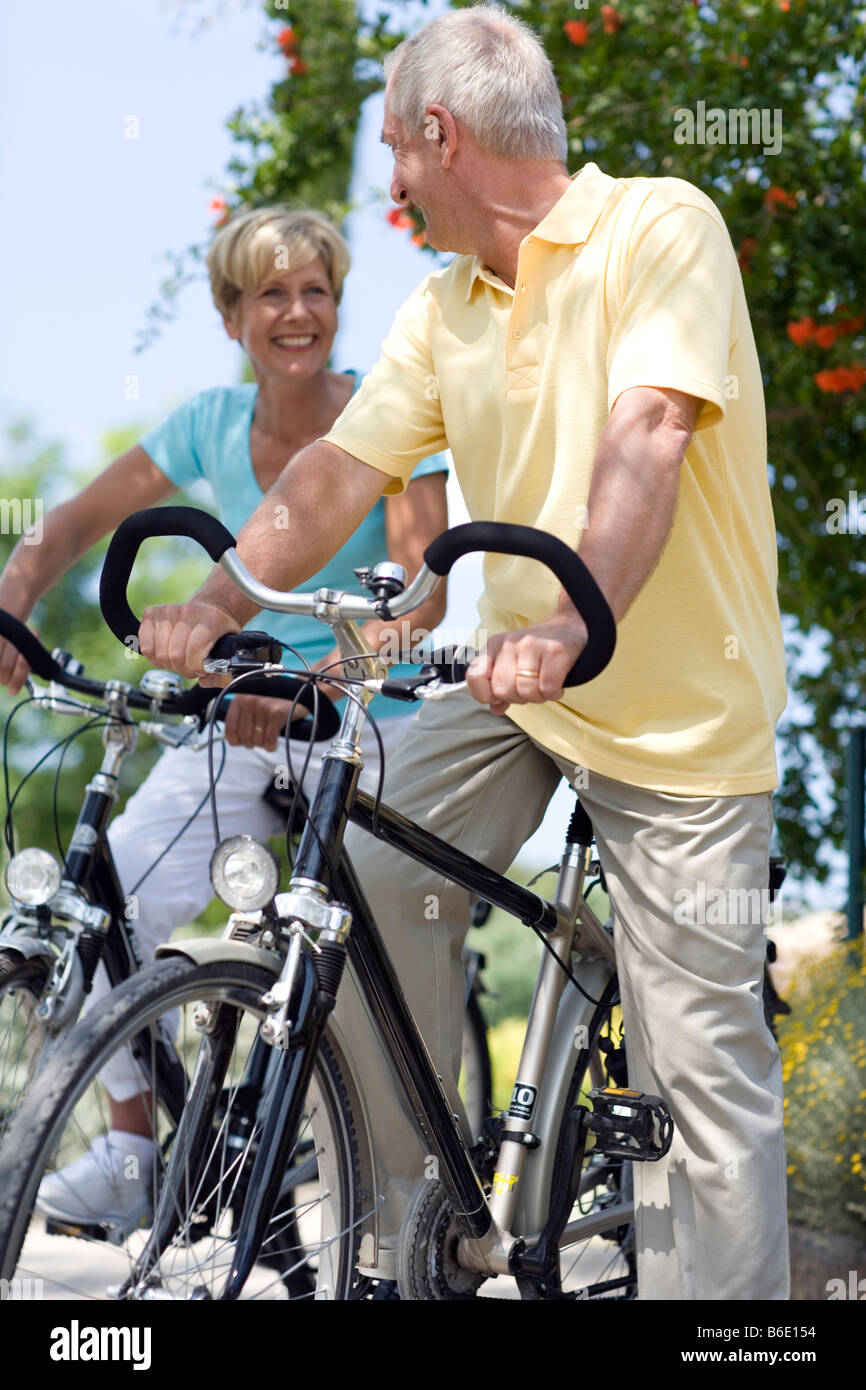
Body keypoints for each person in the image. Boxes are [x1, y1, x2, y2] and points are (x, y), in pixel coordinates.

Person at [136, 5, 789, 1300]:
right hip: (518, 692)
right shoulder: (446, 306)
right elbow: (335, 473)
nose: (390, 186)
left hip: (673, 718)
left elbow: (646, 428)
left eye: (392, 150)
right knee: (368, 873)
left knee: (696, 1070)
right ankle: (413, 1233)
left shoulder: (660, 226)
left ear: (438, 134)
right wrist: (217, 602)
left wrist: (569, 615)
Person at [0, 207, 449, 1226]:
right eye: (271, 295)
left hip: (370, 714)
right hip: (241, 710)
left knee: (374, 955)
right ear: (232, 315)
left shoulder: (387, 416)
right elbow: (67, 523)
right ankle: (130, 1148)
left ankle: (390, 1174)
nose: (297, 313)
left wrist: (320, 681)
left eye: (316, 292)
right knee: (90, 911)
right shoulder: (208, 422)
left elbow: (422, 602)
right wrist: (14, 601)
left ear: (337, 304)